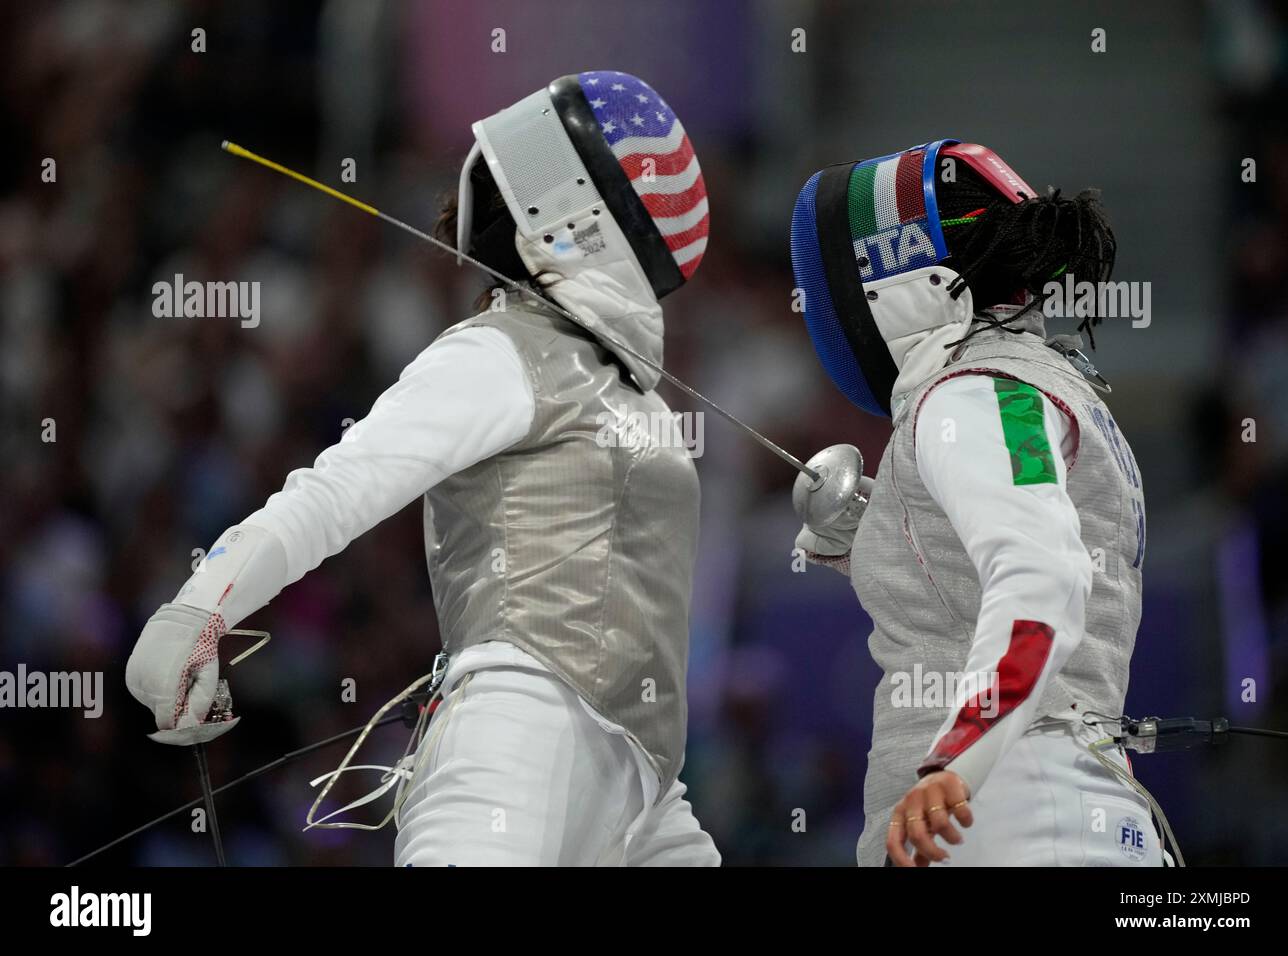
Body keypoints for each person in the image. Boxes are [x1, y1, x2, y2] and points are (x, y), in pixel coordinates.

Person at [125, 70, 719, 867]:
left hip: (646, 788)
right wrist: (198, 611)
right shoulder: (504, 347)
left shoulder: (641, 400)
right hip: (518, 733)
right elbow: (339, 488)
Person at [788, 140, 1158, 866]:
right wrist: (878, 528)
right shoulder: (1026, 382)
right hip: (1066, 803)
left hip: (995, 813)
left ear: (900, 281)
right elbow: (997, 566)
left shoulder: (976, 392)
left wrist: (961, 754)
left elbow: (1040, 573)